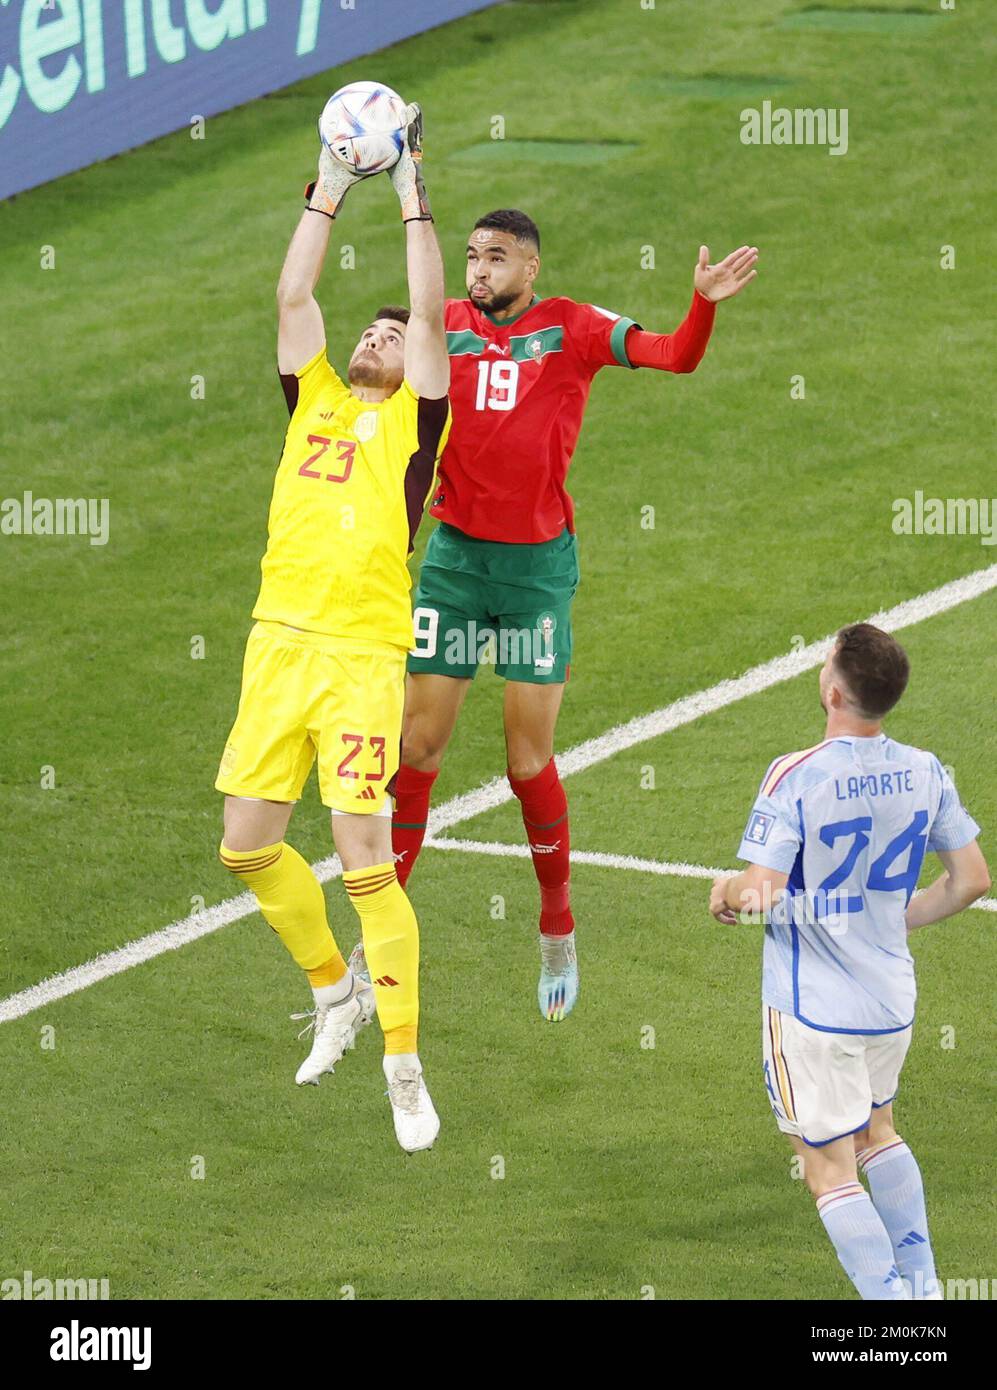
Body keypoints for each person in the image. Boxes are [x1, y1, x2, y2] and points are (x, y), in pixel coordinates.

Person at [391, 208, 759, 1019]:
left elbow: (674, 356)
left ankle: (556, 923)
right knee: (415, 749)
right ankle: (377, 936)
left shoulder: (572, 328)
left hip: (532, 574)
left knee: (526, 763)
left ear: (530, 267)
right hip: (454, 562)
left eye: (495, 258)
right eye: (470, 257)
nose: (477, 271)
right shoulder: (443, 327)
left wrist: (701, 303)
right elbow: (383, 370)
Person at [215, 106, 450, 1152]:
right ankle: (334, 991)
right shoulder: (311, 395)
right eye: (373, 328)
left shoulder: (413, 423)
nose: (376, 335)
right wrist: (327, 179)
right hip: (276, 644)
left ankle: (403, 1064)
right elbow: (294, 292)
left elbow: (436, 318)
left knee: (363, 858)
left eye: (393, 336)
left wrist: (406, 187)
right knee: (245, 846)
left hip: (359, 658)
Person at [710, 623, 989, 1298]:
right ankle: (923, 1292)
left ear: (832, 691)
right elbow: (971, 879)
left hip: (812, 1011)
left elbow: (758, 895)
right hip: (889, 1000)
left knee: (827, 1169)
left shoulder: (796, 775)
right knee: (878, 1133)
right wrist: (896, 918)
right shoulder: (926, 770)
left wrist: (724, 894)